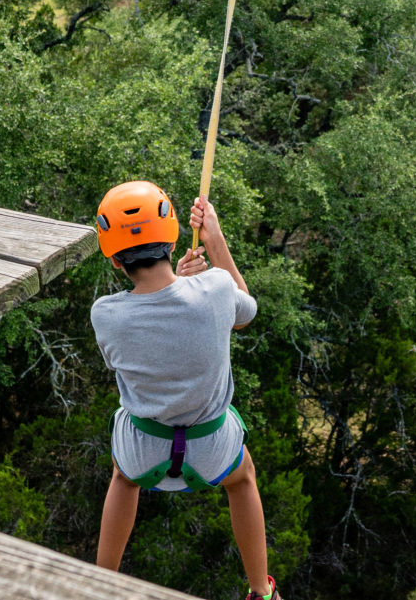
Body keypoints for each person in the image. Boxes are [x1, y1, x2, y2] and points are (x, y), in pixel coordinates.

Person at [90, 181, 279, 600]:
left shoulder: (105, 315)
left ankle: (100, 585)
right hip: (210, 449)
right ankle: (260, 592)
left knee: (123, 478)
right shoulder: (214, 288)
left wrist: (183, 287)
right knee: (243, 478)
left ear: (116, 260)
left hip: (145, 449)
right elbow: (244, 311)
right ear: (172, 243)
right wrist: (214, 242)